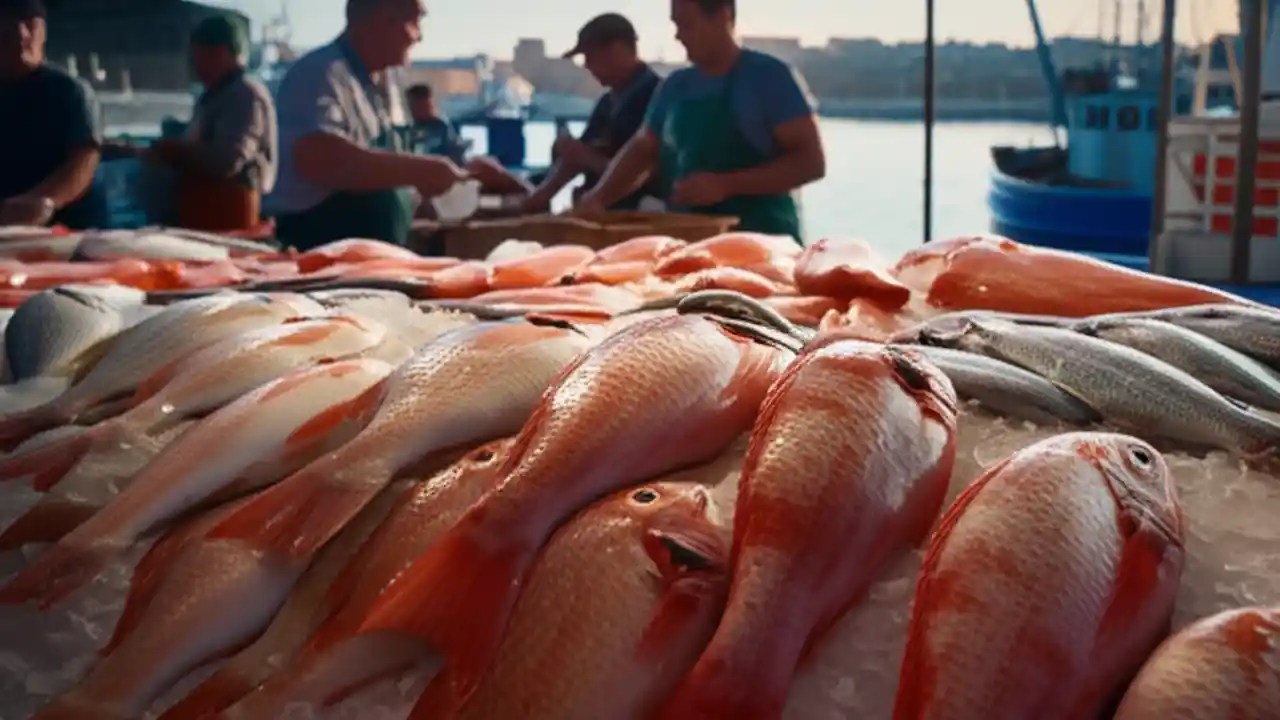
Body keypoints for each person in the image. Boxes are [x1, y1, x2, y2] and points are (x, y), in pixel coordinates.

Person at [576, 0, 825, 241]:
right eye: (676, 25)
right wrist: (599, 197)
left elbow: (811, 163)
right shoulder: (674, 87)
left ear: (723, 16)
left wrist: (726, 185)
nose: (678, 36)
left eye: (686, 24)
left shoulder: (770, 77)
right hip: (694, 246)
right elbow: (642, 152)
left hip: (766, 245)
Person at [268, 0, 466, 250]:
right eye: (414, 22)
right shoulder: (317, 75)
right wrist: (421, 171)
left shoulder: (391, 81)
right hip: (321, 258)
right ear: (382, 20)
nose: (419, 37)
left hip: (383, 258)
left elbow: (395, 162)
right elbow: (320, 158)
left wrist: (427, 196)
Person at [144, 15, 277, 232]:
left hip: (231, 225)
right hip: (203, 221)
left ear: (220, 52)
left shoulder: (243, 94)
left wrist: (172, 150)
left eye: (199, 56)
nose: (194, 65)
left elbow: (227, 160)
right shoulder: (215, 95)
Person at [521, 13, 661, 214]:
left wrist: (583, 156)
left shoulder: (655, 96)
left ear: (616, 50)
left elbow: (649, 173)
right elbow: (577, 157)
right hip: (596, 210)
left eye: (589, 56)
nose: (587, 65)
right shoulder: (607, 102)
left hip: (637, 212)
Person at [0, 0, 108, 229]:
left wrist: (43, 200)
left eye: (31, 26)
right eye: (6, 32)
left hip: (69, 230)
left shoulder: (71, 91)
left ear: (43, 33)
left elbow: (84, 160)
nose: (22, 36)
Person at [406, 83, 468, 164]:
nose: (412, 111)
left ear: (426, 104)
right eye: (410, 106)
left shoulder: (442, 127)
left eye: (414, 106)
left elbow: (456, 158)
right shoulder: (413, 129)